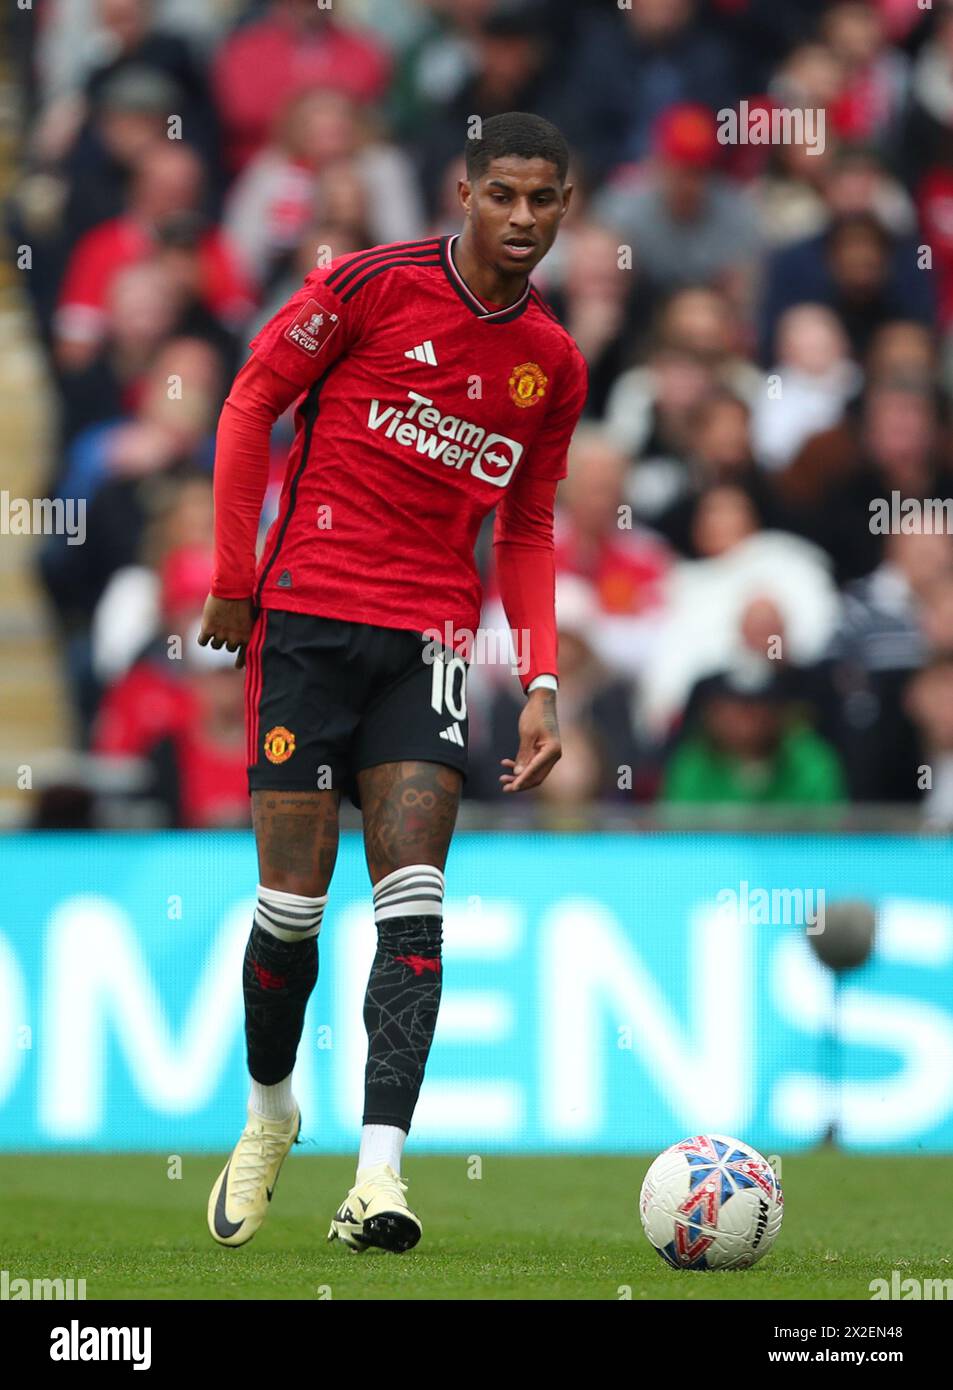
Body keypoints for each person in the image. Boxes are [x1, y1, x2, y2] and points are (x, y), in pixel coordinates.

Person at [198, 112, 587, 1254]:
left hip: (428, 643)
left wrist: (543, 678)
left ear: (564, 210)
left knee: (413, 901)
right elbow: (247, 402)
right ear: (463, 193)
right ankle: (271, 1112)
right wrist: (232, 575)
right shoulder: (366, 285)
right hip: (309, 620)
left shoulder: (551, 364)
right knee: (292, 911)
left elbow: (525, 524)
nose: (522, 218)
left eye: (543, 200)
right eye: (502, 195)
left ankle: (379, 1179)